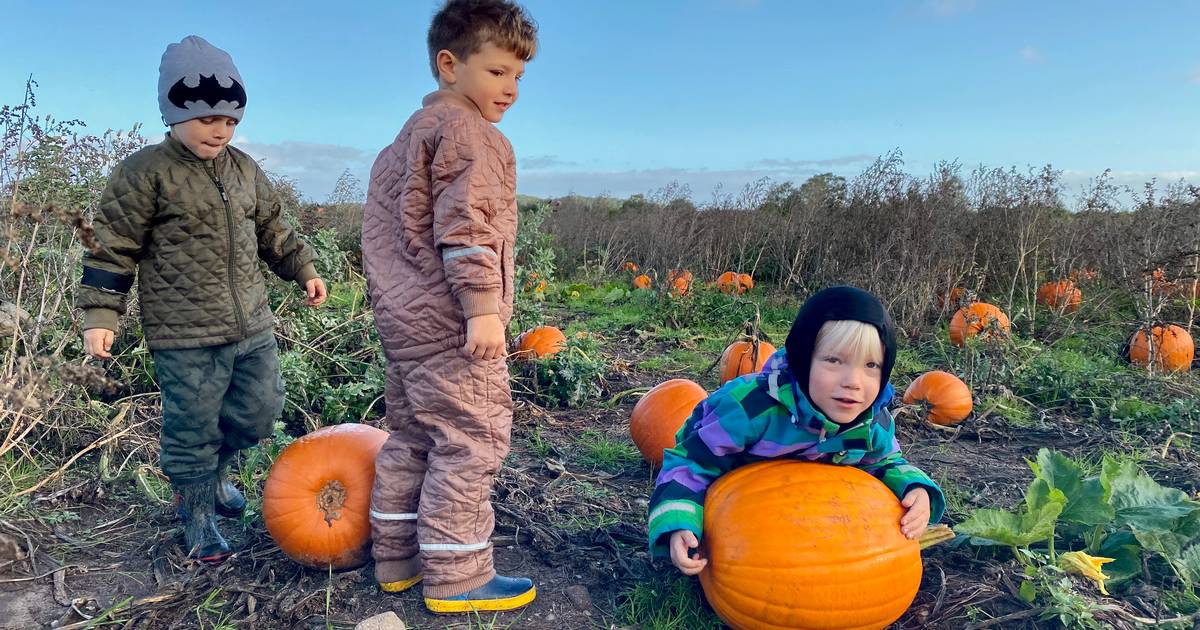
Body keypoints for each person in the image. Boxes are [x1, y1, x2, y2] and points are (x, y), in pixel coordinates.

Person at [79, 35, 326, 564]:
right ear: (173, 111)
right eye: (208, 118)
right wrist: (101, 315)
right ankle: (196, 514)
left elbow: (273, 230)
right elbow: (112, 246)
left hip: (251, 327)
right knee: (191, 426)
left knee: (260, 411)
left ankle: (217, 476)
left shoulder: (244, 170)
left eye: (231, 120)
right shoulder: (143, 173)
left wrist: (301, 269)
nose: (221, 130)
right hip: (184, 334)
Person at [360, 0, 538, 614]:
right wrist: (482, 307)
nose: (511, 89)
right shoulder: (471, 134)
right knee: (472, 440)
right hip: (451, 322)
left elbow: (382, 239)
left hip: (403, 326)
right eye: (496, 72)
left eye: (519, 75)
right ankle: (458, 573)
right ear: (448, 65)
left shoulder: (399, 145)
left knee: (411, 436)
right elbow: (467, 225)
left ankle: (397, 557)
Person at [647, 286, 946, 575]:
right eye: (834, 361)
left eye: (871, 365)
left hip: (806, 529)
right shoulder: (751, 409)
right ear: (804, 360)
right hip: (736, 529)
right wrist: (679, 521)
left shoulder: (871, 423)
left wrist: (914, 489)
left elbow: (885, 462)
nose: (853, 381)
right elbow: (692, 461)